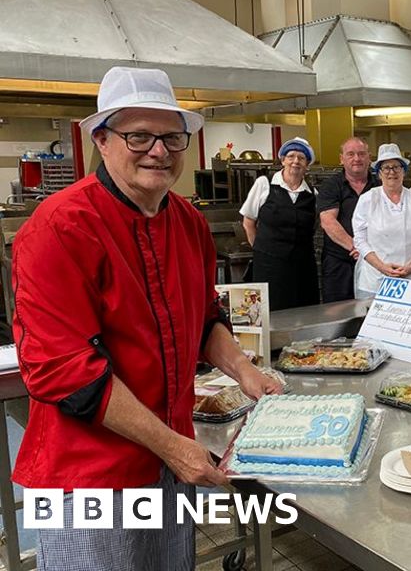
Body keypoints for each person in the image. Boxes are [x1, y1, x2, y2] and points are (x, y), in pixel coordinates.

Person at [10, 66, 283, 570]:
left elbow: (204, 319)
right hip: (88, 476)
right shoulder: (58, 228)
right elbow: (65, 372)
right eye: (138, 135)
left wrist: (246, 372)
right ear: (103, 139)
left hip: (167, 458)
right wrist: (173, 447)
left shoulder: (187, 221)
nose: (158, 149)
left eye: (172, 137)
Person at [239, 137, 319, 310]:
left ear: (307, 164)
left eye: (301, 158)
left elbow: (315, 226)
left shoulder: (312, 193)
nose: (295, 161)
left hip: (302, 267)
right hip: (269, 266)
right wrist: (261, 250)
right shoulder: (264, 184)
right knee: (272, 311)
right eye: (291, 156)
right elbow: (248, 221)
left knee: (304, 311)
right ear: (283, 160)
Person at [352, 143, 411, 298]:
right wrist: (382, 267)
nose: (392, 172)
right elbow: (360, 239)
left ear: (404, 171)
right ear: (379, 173)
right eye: (386, 168)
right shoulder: (367, 199)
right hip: (376, 279)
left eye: (397, 167)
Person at [318, 137, 381, 302]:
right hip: (339, 262)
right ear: (341, 159)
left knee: (371, 309)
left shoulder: (380, 186)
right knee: (337, 312)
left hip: (375, 263)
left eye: (361, 154)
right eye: (350, 154)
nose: (357, 159)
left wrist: (368, 254)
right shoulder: (331, 186)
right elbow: (328, 221)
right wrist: (357, 247)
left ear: (369, 158)